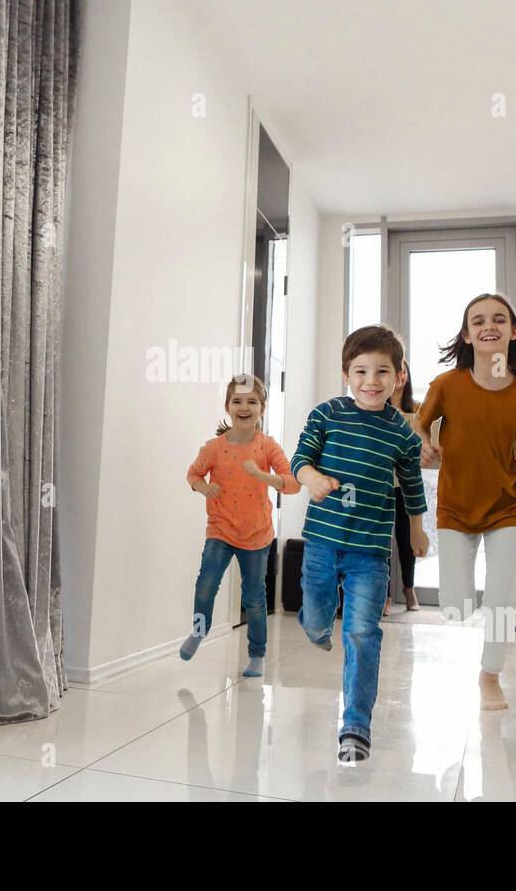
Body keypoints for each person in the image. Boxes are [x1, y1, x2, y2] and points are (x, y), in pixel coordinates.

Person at [414, 294, 516, 711]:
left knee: (500, 601)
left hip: (509, 507)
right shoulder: (447, 385)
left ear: (513, 332)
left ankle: (489, 676)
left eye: (499, 319)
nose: (488, 325)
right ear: (467, 334)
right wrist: (424, 446)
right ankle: (462, 615)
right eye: (478, 320)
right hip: (456, 506)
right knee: (457, 609)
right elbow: (420, 429)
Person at [290, 324, 428, 762]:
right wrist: (311, 479)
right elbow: (300, 459)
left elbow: (412, 485)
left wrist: (417, 528)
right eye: (361, 371)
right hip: (321, 545)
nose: (372, 381)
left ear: (399, 377)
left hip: (370, 552)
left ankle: (355, 728)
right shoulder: (327, 414)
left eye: (382, 372)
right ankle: (314, 629)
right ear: (346, 375)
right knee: (315, 618)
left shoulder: (403, 435)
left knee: (363, 634)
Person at [181, 374, 299, 678]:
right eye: (237, 401)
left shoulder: (267, 447)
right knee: (206, 584)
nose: (244, 407)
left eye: (252, 401)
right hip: (220, 529)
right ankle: (199, 630)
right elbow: (193, 474)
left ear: (263, 407)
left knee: (254, 598)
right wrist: (202, 488)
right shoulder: (213, 447)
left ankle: (256, 655)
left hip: (257, 534)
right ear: (227, 406)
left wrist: (264, 477)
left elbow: (293, 484)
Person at [385, 360, 422, 615]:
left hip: (406, 483)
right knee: (382, 541)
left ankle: (409, 590)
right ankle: (384, 595)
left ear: (406, 376)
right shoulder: (377, 408)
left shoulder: (417, 409)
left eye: (403, 370)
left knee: (407, 538)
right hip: (381, 482)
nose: (400, 375)